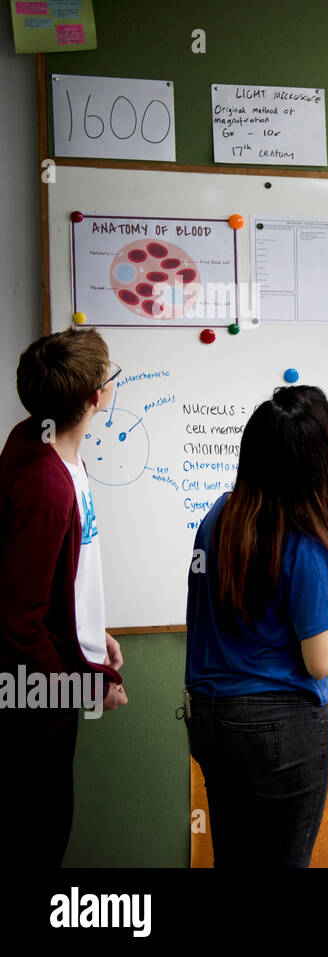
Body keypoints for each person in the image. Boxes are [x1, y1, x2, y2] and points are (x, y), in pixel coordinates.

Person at [184, 385, 328, 867]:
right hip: (279, 730)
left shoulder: (218, 517)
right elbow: (319, 658)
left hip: (214, 721)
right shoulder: (306, 540)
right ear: (319, 461)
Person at [0, 327, 126, 866]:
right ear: (96, 398)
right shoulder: (46, 487)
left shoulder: (36, 439)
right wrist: (83, 685)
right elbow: (16, 621)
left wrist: (91, 633)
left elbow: (52, 577)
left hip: (52, 679)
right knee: (41, 837)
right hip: (35, 705)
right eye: (110, 376)